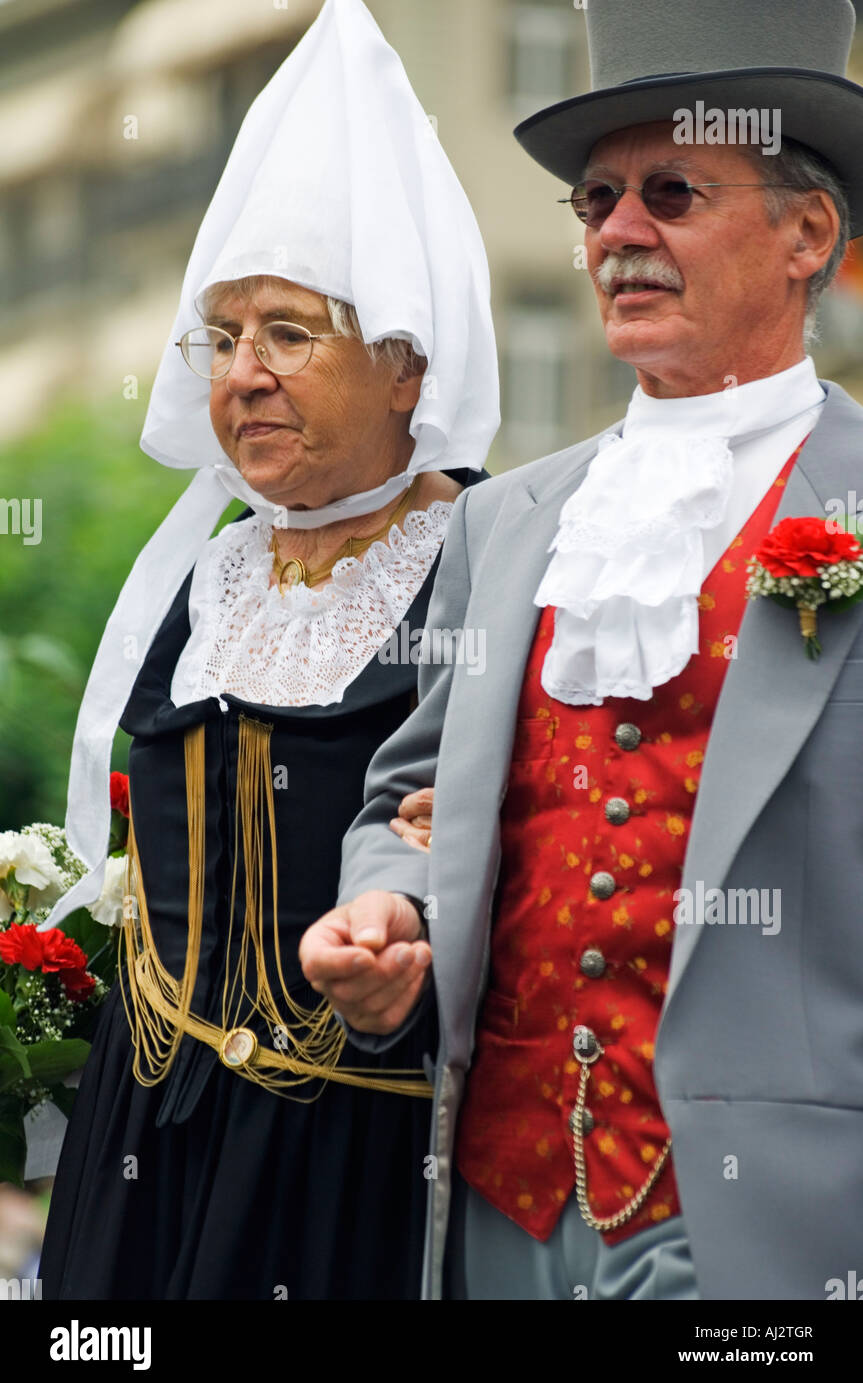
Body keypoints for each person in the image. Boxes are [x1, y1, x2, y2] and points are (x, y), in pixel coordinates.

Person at [300, 0, 863, 1300]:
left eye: (670, 192)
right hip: (497, 1202)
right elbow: (406, 795)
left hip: (783, 1221)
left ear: (806, 236)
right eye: (598, 199)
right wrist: (392, 907)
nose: (615, 232)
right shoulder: (504, 518)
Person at [37, 0, 498, 1300]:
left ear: (407, 364)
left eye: (289, 332)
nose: (243, 373)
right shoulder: (198, 570)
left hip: (360, 1158)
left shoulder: (493, 566)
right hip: (140, 1153)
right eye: (224, 338)